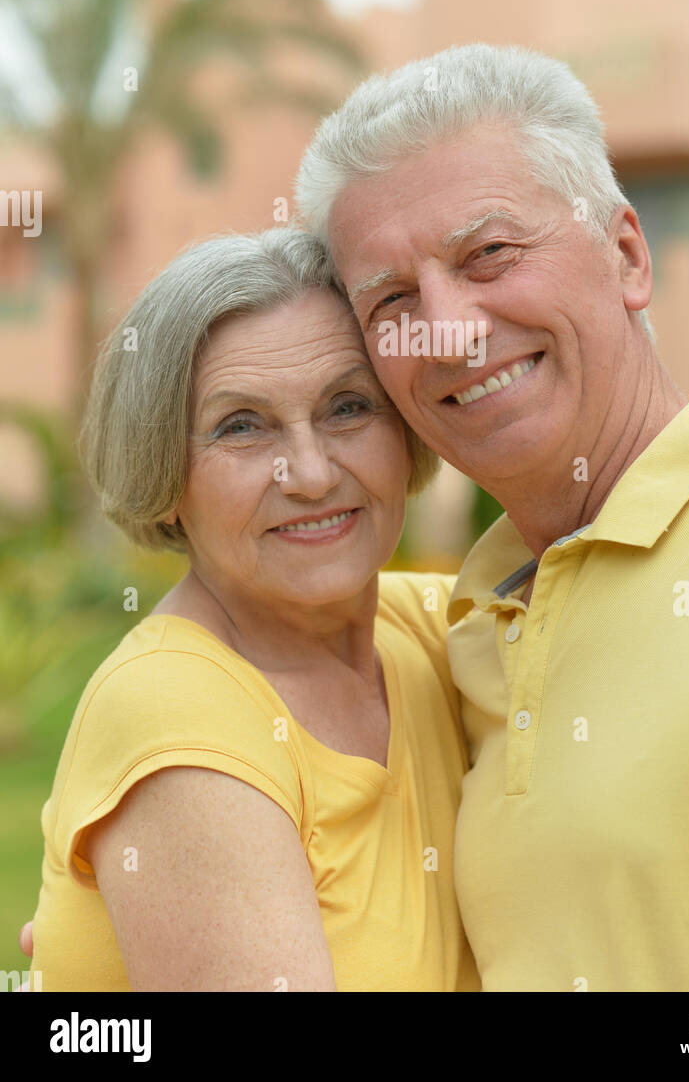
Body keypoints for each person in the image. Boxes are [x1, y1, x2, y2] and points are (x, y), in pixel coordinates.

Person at [295, 40, 689, 991]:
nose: (449, 330)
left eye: (489, 254)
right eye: (392, 300)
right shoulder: (450, 628)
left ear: (626, 255)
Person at [28, 226, 479, 992]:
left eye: (347, 407)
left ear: (407, 430)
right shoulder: (172, 708)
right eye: (241, 426)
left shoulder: (445, 627)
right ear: (164, 475)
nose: (308, 473)